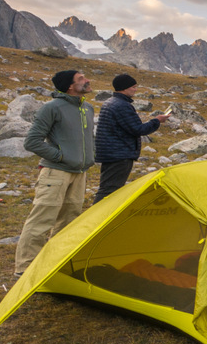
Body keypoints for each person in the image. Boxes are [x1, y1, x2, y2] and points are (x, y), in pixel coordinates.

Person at [15, 69, 95, 275]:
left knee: (69, 221)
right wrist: (61, 156)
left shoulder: (87, 108)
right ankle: (25, 270)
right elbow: (32, 142)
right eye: (81, 79)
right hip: (55, 173)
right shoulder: (51, 108)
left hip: (79, 173)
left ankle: (56, 264)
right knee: (42, 219)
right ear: (70, 86)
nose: (87, 81)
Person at [93, 73, 169, 203]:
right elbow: (138, 129)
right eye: (133, 87)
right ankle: (96, 220)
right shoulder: (122, 105)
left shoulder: (110, 102)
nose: (135, 89)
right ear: (124, 88)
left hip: (111, 152)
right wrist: (157, 121)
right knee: (110, 191)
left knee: (109, 188)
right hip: (119, 154)